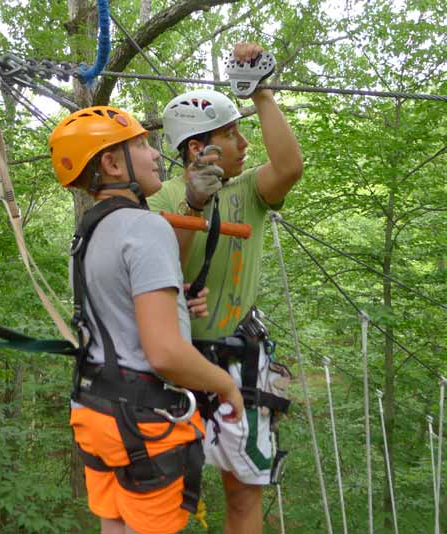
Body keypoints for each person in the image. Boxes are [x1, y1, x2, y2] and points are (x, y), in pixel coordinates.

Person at [49, 105, 244, 534]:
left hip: (95, 411)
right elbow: (164, 353)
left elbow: (119, 308)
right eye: (140, 144)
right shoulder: (145, 227)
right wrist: (226, 385)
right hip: (146, 420)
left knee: (114, 527)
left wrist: (177, 301)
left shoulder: (87, 234)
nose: (156, 154)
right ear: (112, 163)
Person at [148, 43, 303, 534]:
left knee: (243, 493)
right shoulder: (164, 197)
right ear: (198, 148)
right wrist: (192, 205)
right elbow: (158, 265)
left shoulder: (251, 190)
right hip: (176, 358)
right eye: (232, 134)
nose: (244, 142)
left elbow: (290, 167)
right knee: (165, 497)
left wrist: (261, 94)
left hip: (238, 354)